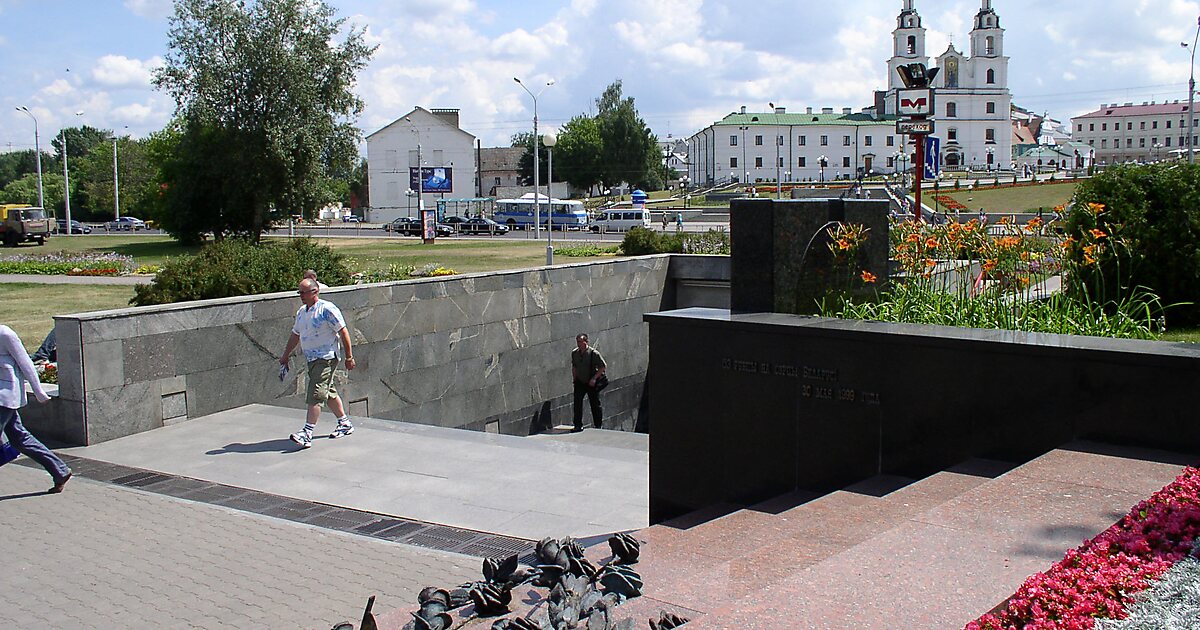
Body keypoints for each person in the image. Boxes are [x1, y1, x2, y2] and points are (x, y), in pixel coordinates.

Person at [278, 278, 356, 448]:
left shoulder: (327, 309)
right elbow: (295, 335)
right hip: (312, 359)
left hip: (326, 357)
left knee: (316, 392)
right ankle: (344, 423)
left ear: (315, 292)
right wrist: (285, 355)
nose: (301, 296)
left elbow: (343, 331)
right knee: (328, 392)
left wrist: (349, 357)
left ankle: (307, 432)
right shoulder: (302, 312)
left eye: (303, 292)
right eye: (299, 292)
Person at [1, 325, 71, 493]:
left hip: (5, 397)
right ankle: (60, 471)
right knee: (20, 438)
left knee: (19, 438)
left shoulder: (5, 334)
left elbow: (26, 362)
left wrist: (38, 391)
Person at [570, 333, 606, 432]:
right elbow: (574, 366)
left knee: (595, 404)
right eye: (577, 342)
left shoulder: (593, 353)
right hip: (580, 381)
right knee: (577, 403)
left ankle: (598, 425)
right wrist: (575, 378)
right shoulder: (575, 353)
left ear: (586, 342)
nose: (579, 344)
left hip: (591, 382)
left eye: (580, 342)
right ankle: (577, 425)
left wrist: (594, 378)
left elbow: (603, 367)